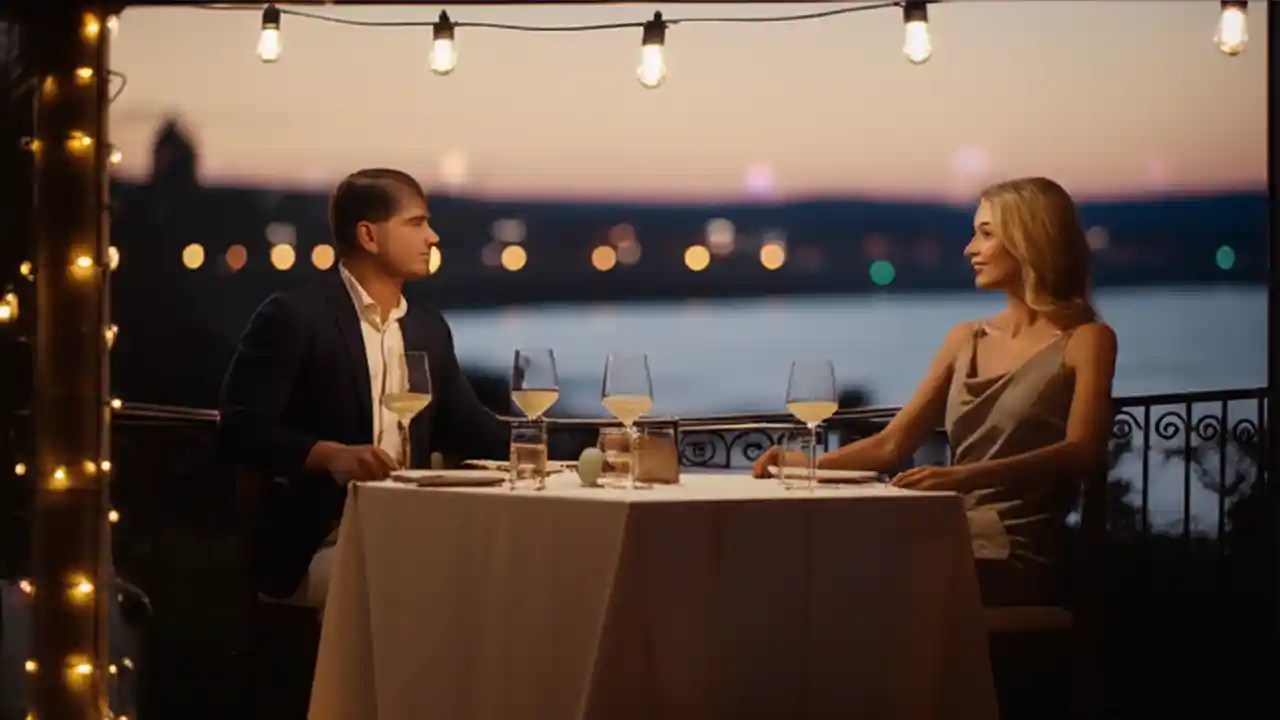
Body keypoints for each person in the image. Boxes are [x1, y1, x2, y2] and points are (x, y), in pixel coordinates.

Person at [754, 176, 1117, 607]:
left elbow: (1084, 451)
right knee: (815, 564)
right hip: (946, 527)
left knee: (863, 583)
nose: (969, 249)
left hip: (1016, 549)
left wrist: (961, 476)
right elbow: (892, 444)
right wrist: (803, 465)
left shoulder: (1087, 339)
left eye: (985, 234)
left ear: (1029, 242)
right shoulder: (965, 339)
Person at [218, 168, 508, 609]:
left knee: (504, 579)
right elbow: (239, 430)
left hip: (411, 531)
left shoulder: (427, 329)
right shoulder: (294, 317)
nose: (432, 237)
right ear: (369, 236)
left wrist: (583, 448)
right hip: (321, 543)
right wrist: (332, 454)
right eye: (416, 223)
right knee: (423, 592)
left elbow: (472, 427)